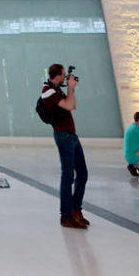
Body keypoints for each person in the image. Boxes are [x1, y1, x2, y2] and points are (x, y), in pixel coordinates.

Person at [37, 64, 88, 230]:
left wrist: (70, 90)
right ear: (57, 75)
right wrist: (71, 89)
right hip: (63, 136)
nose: (66, 77)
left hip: (71, 135)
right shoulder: (48, 92)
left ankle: (75, 209)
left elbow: (72, 104)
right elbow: (70, 105)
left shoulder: (56, 89)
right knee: (68, 175)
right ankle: (66, 215)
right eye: (64, 75)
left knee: (82, 173)